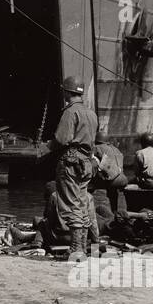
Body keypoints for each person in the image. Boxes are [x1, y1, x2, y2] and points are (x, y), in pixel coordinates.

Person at [47, 74, 99, 260]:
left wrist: (44, 148)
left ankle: (76, 249)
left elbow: (62, 139)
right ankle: (82, 248)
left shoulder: (70, 112)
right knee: (82, 202)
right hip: (86, 163)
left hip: (70, 162)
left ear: (66, 92)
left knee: (71, 205)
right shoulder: (91, 113)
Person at [91, 128, 128, 214]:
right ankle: (114, 210)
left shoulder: (96, 148)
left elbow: (91, 163)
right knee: (113, 192)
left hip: (111, 180)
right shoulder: (116, 149)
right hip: (122, 178)